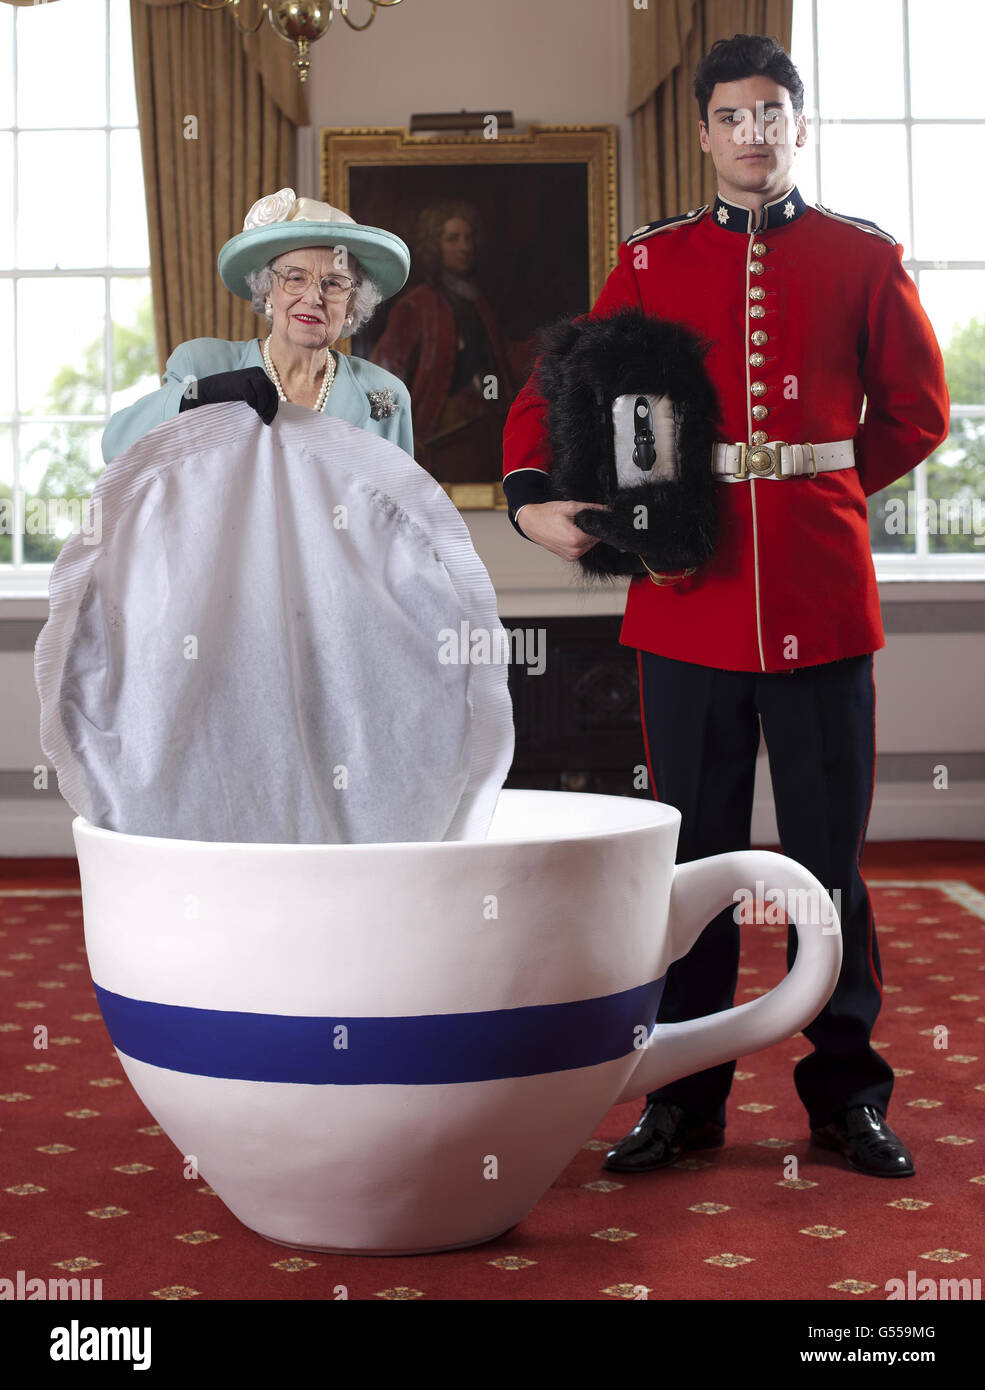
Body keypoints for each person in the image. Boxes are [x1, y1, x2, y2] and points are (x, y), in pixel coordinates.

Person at [502, 34, 949, 1178]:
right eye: (732, 116)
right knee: (690, 865)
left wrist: (817, 487)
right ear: (702, 133)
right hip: (686, 605)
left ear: (797, 126)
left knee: (826, 862)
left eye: (772, 113)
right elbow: (560, 396)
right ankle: (683, 1098)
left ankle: (844, 1095)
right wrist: (533, 498)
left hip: (820, 599)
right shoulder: (649, 263)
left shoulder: (861, 256)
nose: (753, 133)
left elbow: (913, 413)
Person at [102, 188, 413, 464]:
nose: (313, 298)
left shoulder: (384, 392)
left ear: (350, 305)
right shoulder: (204, 363)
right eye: (295, 278)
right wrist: (193, 398)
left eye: (333, 284)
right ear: (267, 291)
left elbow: (402, 516)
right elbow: (117, 448)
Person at [370, 201, 519, 482]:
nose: (465, 247)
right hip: (439, 441)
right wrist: (389, 438)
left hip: (484, 437)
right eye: (453, 238)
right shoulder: (417, 306)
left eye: (468, 238)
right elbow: (382, 377)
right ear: (435, 246)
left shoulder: (480, 305)